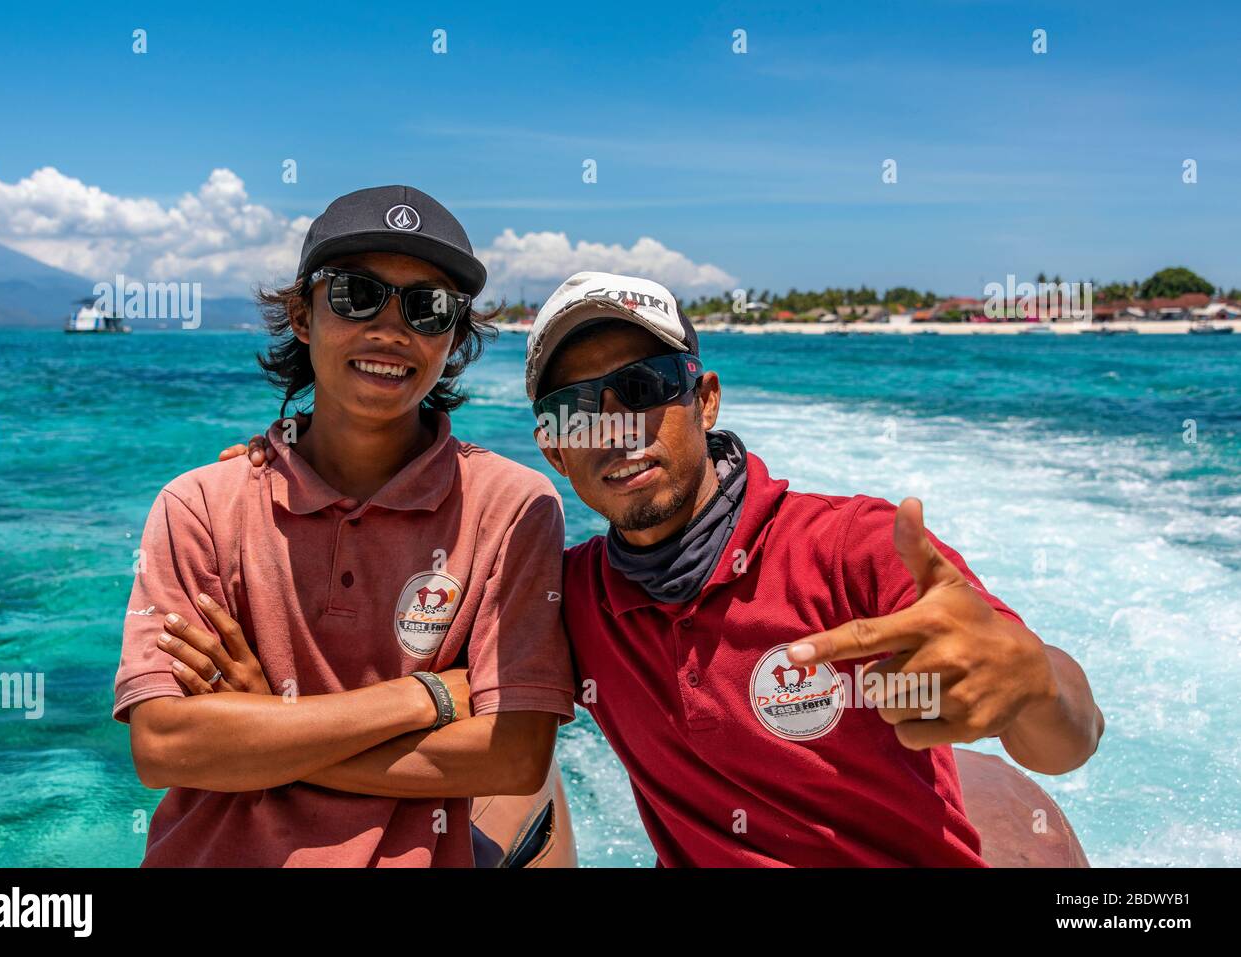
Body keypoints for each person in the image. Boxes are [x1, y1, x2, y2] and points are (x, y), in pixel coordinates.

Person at [225, 271, 1104, 867]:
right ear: (555, 454)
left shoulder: (855, 549)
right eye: (575, 410)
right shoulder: (571, 600)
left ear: (704, 398)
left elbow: (1067, 739)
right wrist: (289, 471)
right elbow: (437, 678)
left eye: (644, 389)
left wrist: (1034, 683)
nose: (615, 428)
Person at [113, 186, 575, 867]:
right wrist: (426, 696)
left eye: (428, 307)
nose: (391, 329)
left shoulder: (512, 510)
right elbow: (162, 747)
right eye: (357, 295)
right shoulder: (201, 506)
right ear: (301, 314)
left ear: (453, 339)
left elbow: (513, 756)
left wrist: (268, 732)